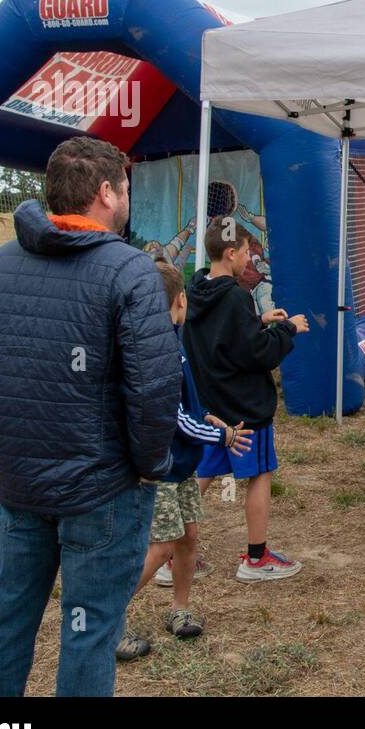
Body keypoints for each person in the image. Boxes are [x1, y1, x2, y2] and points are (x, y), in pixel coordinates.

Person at [0, 136, 181, 697]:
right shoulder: (129, 271)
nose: (129, 198)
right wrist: (150, 464)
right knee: (88, 629)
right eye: (127, 188)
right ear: (106, 192)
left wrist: (11, 443)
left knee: (11, 613)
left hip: (23, 482)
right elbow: (154, 389)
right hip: (102, 488)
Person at [117, 261, 255, 660]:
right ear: (181, 300)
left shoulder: (172, 339)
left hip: (181, 468)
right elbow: (173, 418)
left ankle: (179, 610)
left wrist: (204, 416)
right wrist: (221, 435)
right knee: (160, 548)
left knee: (188, 537)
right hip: (159, 469)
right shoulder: (157, 348)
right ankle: (105, 619)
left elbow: (183, 407)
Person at [185, 218, 308, 581]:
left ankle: (169, 555)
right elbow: (257, 354)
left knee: (201, 475)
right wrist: (286, 329)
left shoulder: (197, 290)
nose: (249, 261)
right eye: (245, 254)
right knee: (259, 473)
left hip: (211, 407)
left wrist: (258, 319)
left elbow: (223, 338)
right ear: (230, 253)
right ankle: (256, 559)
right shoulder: (235, 297)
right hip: (244, 409)